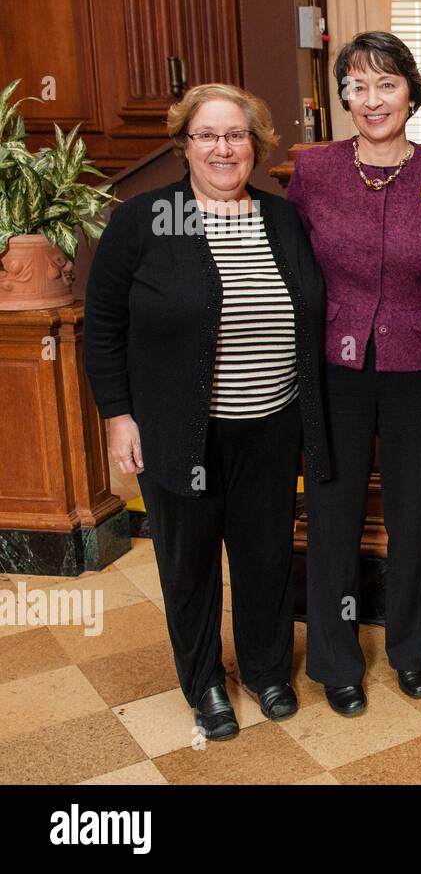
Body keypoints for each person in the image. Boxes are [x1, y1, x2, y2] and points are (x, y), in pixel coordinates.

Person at [84, 83, 330, 740]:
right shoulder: (144, 220)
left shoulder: (282, 219)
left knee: (266, 555)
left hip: (273, 427)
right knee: (189, 563)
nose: (224, 148)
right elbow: (103, 323)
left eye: (237, 135)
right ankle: (204, 684)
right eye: (209, 136)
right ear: (184, 145)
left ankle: (266, 669)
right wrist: (119, 415)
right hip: (179, 432)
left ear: (256, 144)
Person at [287, 31, 421, 716]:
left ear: (411, 93)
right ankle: (335, 662)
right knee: (332, 514)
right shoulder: (312, 171)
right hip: (332, 372)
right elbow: (293, 276)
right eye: (358, 85)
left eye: (386, 84)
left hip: (418, 372)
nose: (372, 99)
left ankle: (410, 651)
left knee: (412, 516)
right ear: (343, 97)